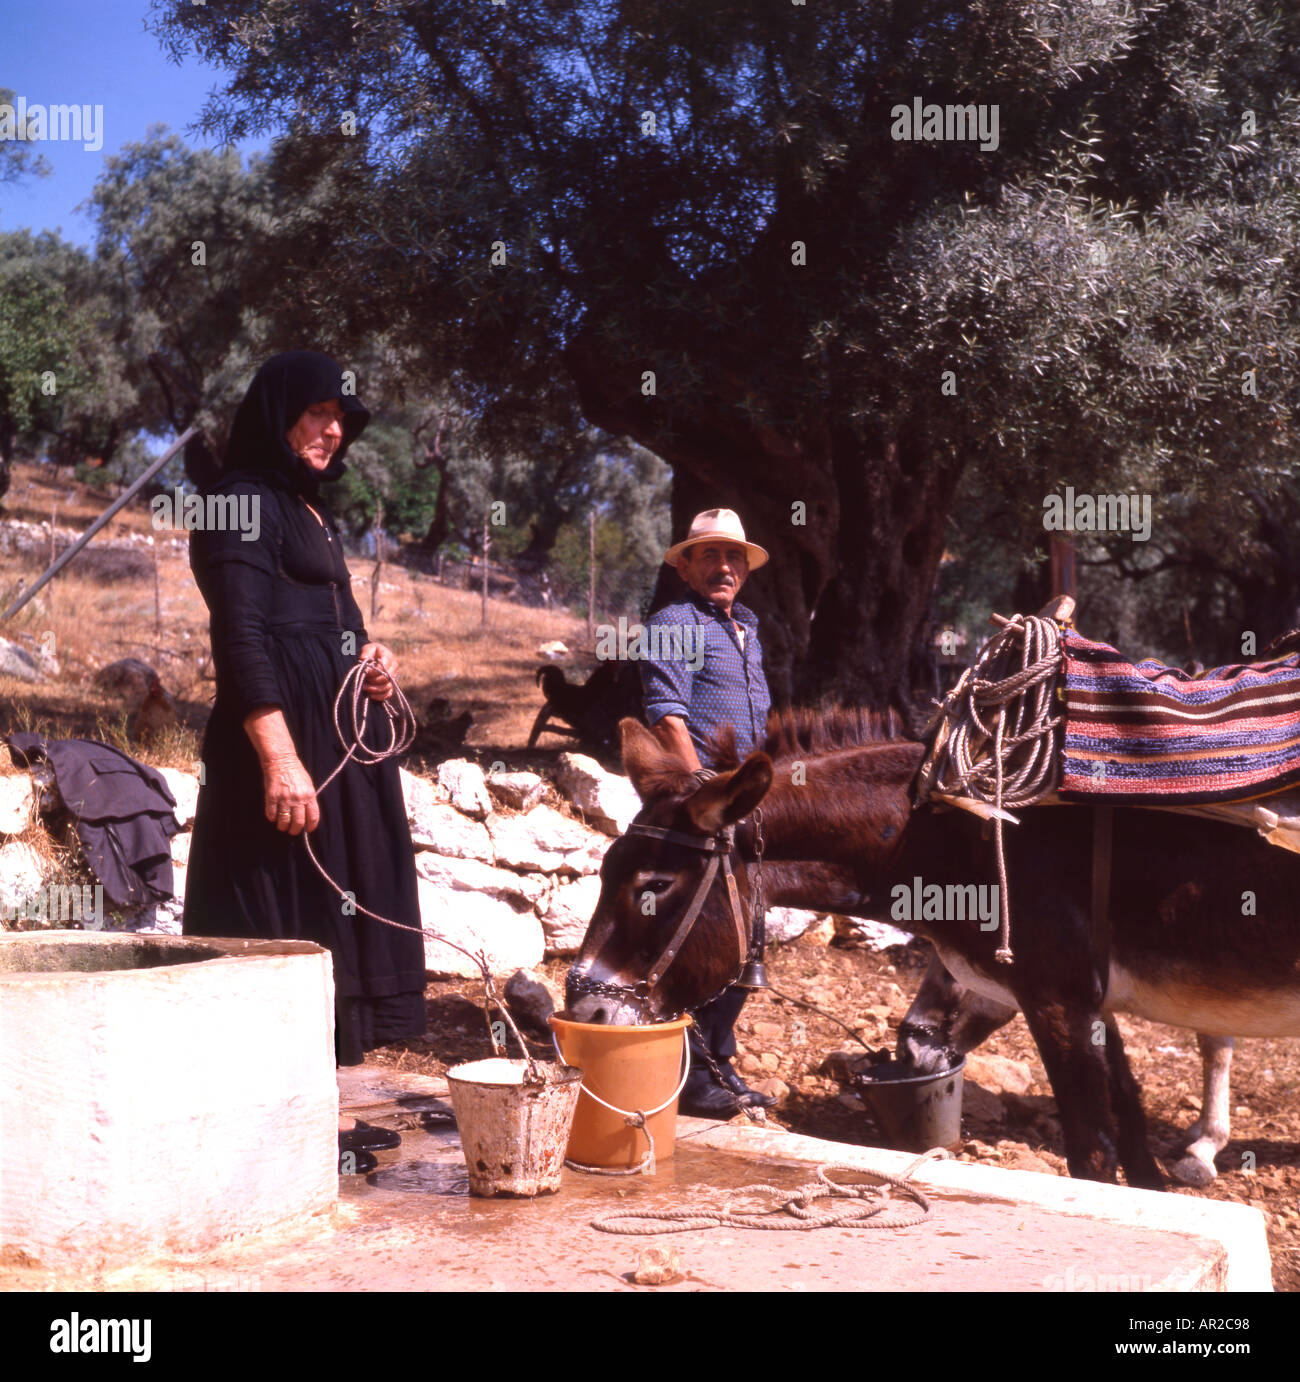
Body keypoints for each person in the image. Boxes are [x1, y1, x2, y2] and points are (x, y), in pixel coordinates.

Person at [183, 350, 425, 1170]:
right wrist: (279, 759)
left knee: (331, 919)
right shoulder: (239, 504)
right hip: (285, 749)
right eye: (317, 414)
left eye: (342, 420)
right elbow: (240, 637)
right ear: (278, 411)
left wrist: (372, 659)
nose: (332, 431)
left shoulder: (309, 511)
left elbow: (340, 622)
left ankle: (305, 1120)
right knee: (278, 918)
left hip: (342, 745)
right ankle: (253, 1136)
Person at [640, 507, 776, 1117]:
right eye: (711, 557)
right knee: (697, 937)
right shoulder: (672, 622)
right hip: (700, 807)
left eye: (734, 557)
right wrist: (704, 793)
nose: (724, 567)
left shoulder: (747, 627)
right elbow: (667, 714)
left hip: (744, 804)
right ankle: (690, 1076)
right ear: (687, 567)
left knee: (748, 937)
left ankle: (719, 1062)